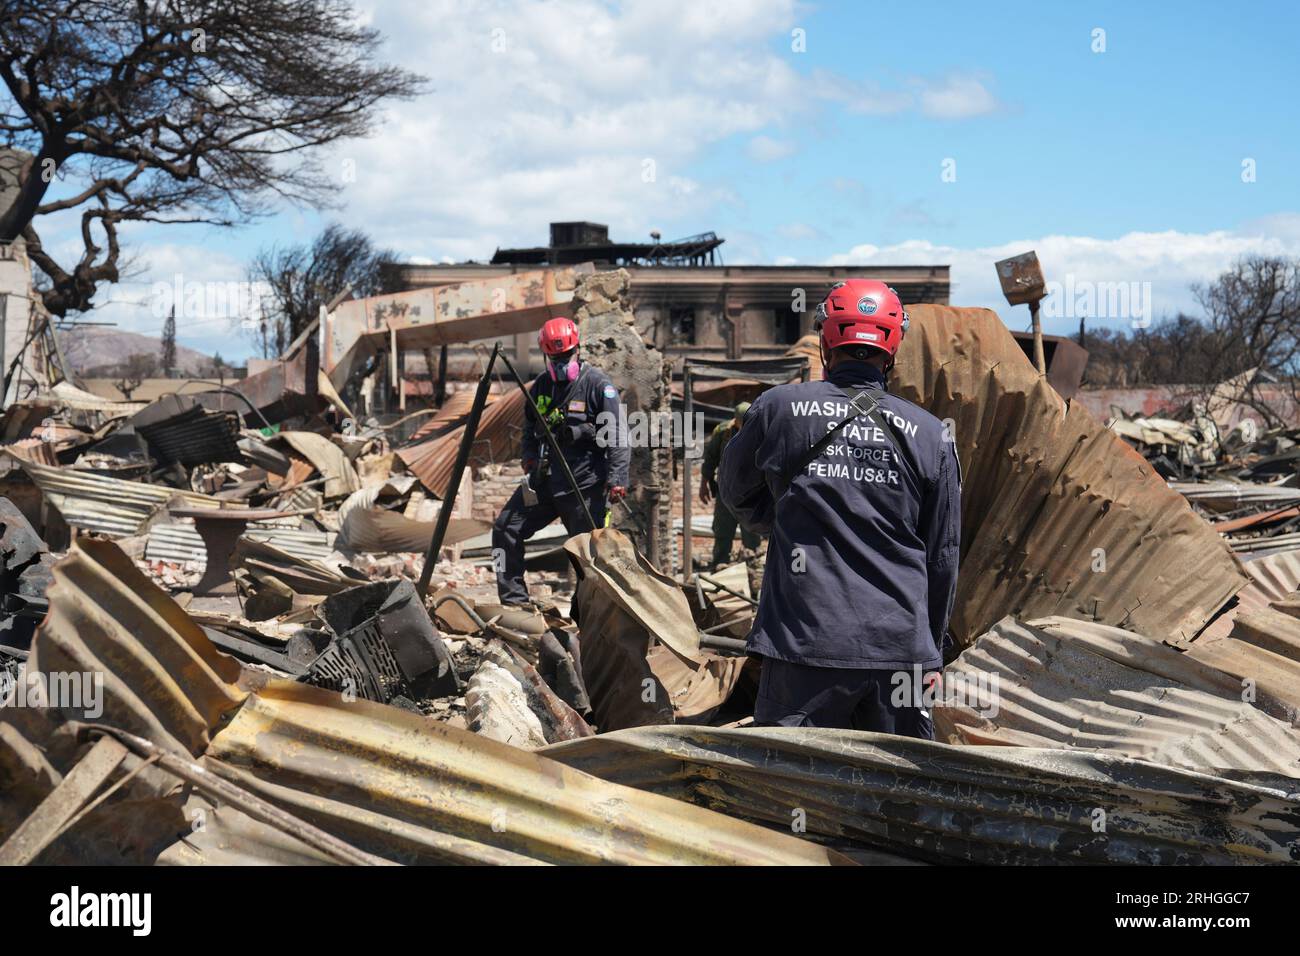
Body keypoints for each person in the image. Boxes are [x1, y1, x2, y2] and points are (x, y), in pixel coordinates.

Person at [718, 280, 960, 737]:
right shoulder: (931, 435)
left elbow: (735, 493)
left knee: (794, 785)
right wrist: (931, 651)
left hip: (803, 649)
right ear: (893, 347)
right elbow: (942, 554)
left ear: (826, 340)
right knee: (900, 793)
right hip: (901, 654)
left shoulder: (778, 409)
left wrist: (786, 525)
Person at [492, 316, 629, 606]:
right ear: (545, 356)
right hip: (545, 482)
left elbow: (618, 434)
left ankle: (589, 617)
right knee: (505, 527)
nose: (560, 362)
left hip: (584, 487)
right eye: (554, 358)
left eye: (565, 356)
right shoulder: (541, 387)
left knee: (588, 558)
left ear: (577, 350)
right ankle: (514, 602)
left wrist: (618, 478)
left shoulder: (597, 385)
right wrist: (528, 457)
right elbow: (529, 429)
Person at [699, 402, 760, 568]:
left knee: (752, 533)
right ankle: (720, 567)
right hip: (726, 491)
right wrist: (704, 484)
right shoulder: (724, 431)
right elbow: (710, 459)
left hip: (752, 493)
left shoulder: (761, 430)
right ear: (736, 420)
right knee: (722, 531)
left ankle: (753, 568)